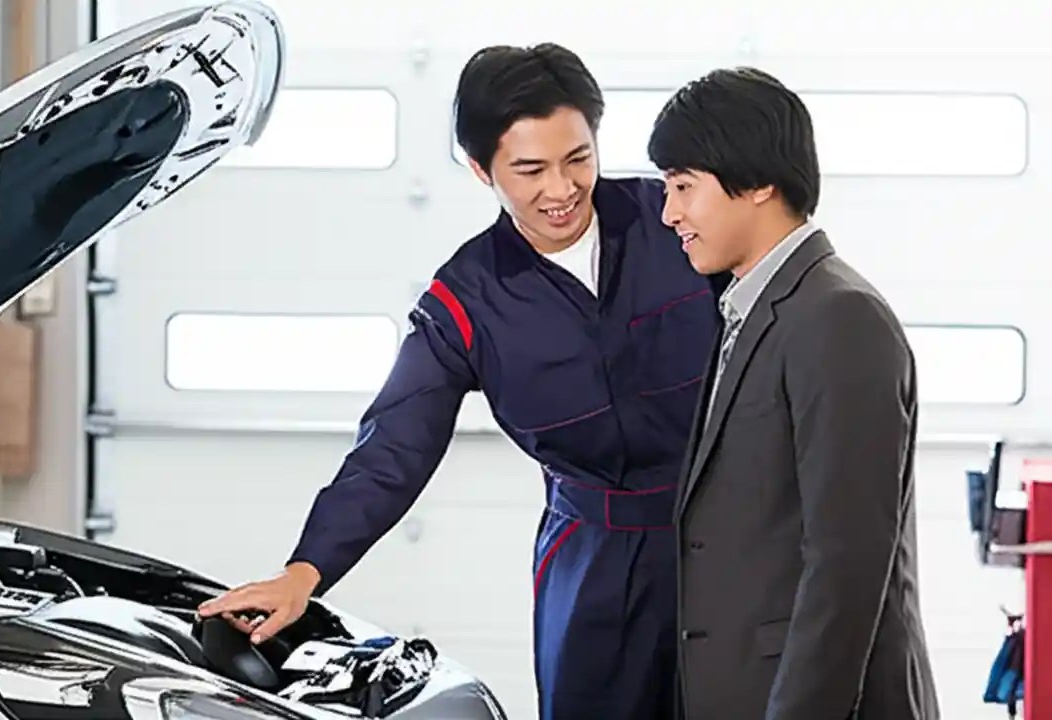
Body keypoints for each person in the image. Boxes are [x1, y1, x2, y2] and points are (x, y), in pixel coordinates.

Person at [198, 43, 724, 720]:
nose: (561, 190)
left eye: (578, 159)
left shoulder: (678, 224)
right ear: (481, 170)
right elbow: (393, 447)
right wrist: (305, 572)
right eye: (529, 169)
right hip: (592, 565)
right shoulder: (466, 301)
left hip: (728, 537)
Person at [647, 66, 940, 719]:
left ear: (756, 182)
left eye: (684, 186)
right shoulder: (751, 309)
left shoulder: (839, 316)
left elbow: (846, 563)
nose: (670, 214)